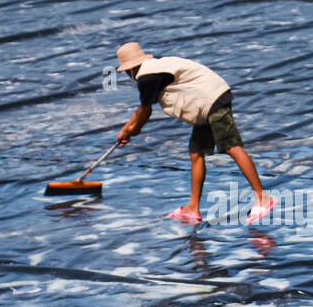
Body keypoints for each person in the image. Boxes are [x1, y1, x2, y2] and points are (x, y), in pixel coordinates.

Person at [113, 42, 275, 226]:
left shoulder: (147, 77)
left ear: (130, 69)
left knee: (231, 146)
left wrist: (132, 131)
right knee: (196, 153)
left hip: (212, 100)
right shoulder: (154, 69)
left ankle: (263, 198)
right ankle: (192, 208)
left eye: (126, 72)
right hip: (204, 104)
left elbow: (145, 111)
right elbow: (142, 110)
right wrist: (126, 130)